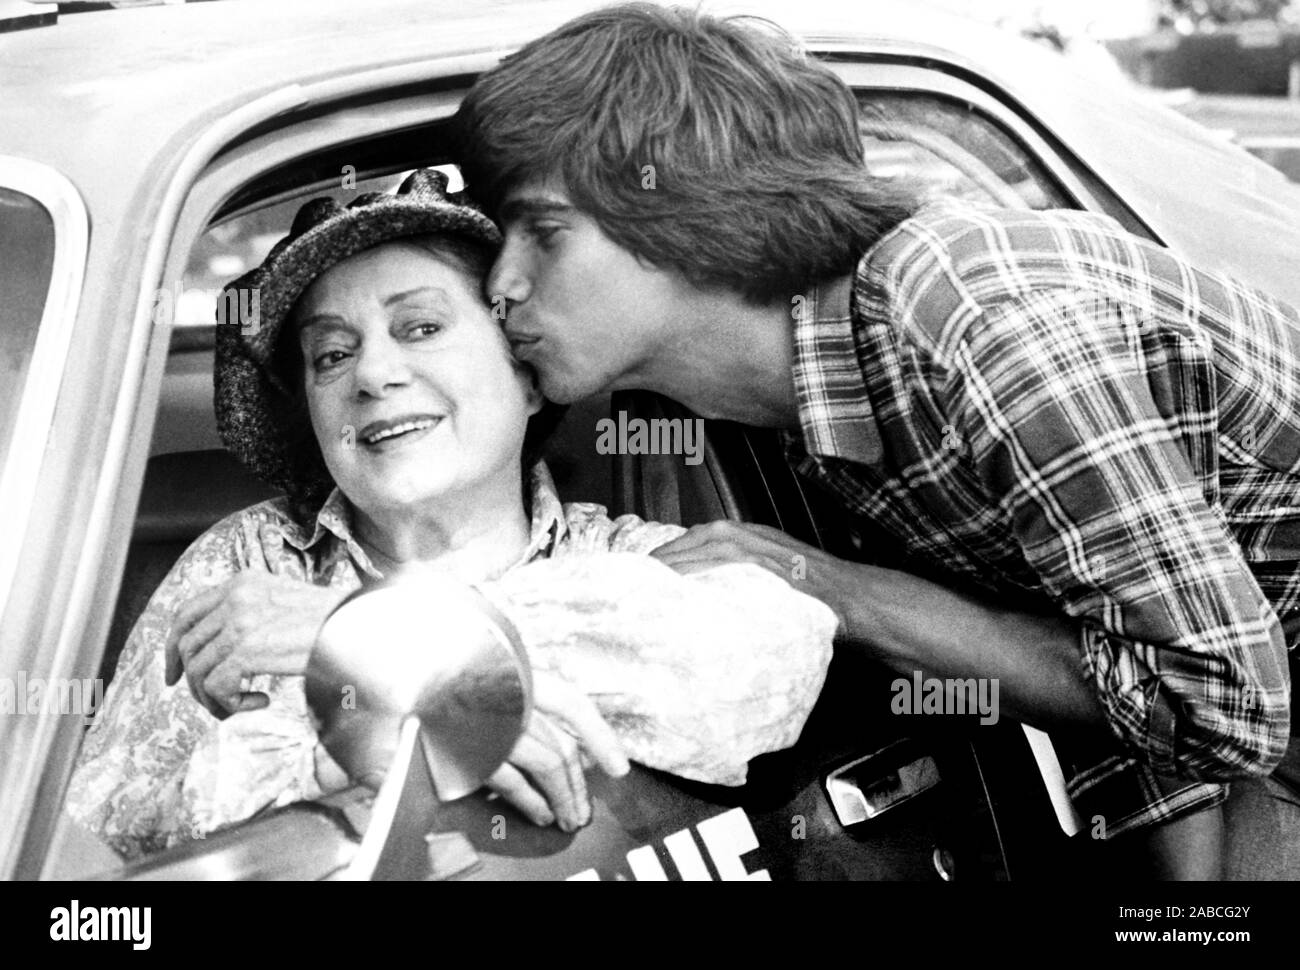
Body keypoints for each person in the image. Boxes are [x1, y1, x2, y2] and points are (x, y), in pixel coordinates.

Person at [452, 3, 1300, 878]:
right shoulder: (755, 401)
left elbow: (1223, 705)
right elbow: (1080, 609)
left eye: (544, 233)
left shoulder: (972, 323)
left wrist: (831, 590)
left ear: (689, 221)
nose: (502, 285)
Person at [65, 170, 835, 861]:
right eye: (331, 354)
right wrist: (348, 752)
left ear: (528, 379)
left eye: (421, 328)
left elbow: (776, 653)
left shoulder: (621, 558)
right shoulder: (248, 564)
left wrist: (366, 639)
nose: (372, 373)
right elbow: (104, 845)